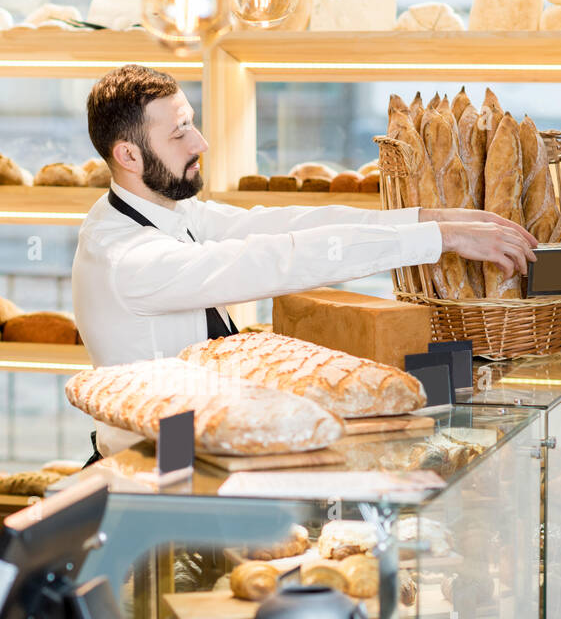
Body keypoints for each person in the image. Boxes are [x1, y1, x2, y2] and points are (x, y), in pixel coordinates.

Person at [72, 64, 536, 458]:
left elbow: (285, 225)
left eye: (192, 123)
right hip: (156, 471)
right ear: (129, 155)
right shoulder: (127, 258)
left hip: (207, 452)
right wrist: (437, 238)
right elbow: (278, 259)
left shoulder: (165, 210)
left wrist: (430, 218)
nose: (201, 142)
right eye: (180, 133)